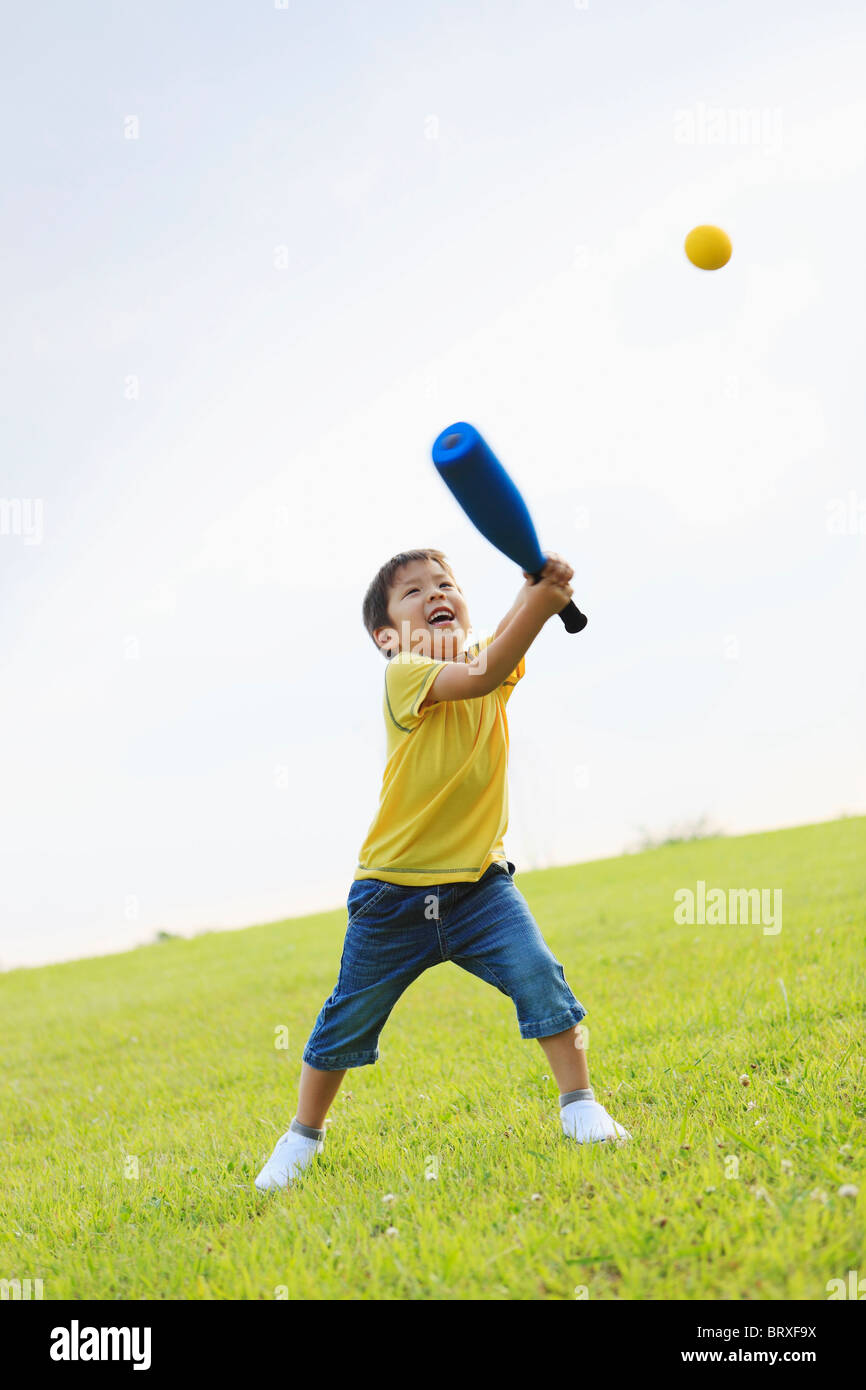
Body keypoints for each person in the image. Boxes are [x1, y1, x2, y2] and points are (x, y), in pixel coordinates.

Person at [255, 548, 630, 1190]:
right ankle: (303, 1137)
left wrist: (532, 594)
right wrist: (539, 604)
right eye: (414, 592)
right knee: (345, 1017)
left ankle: (580, 1105)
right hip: (392, 896)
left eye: (447, 584)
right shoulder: (404, 674)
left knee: (541, 977)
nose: (437, 593)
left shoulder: (487, 662)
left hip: (480, 888)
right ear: (387, 635)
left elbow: (495, 660)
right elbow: (484, 671)